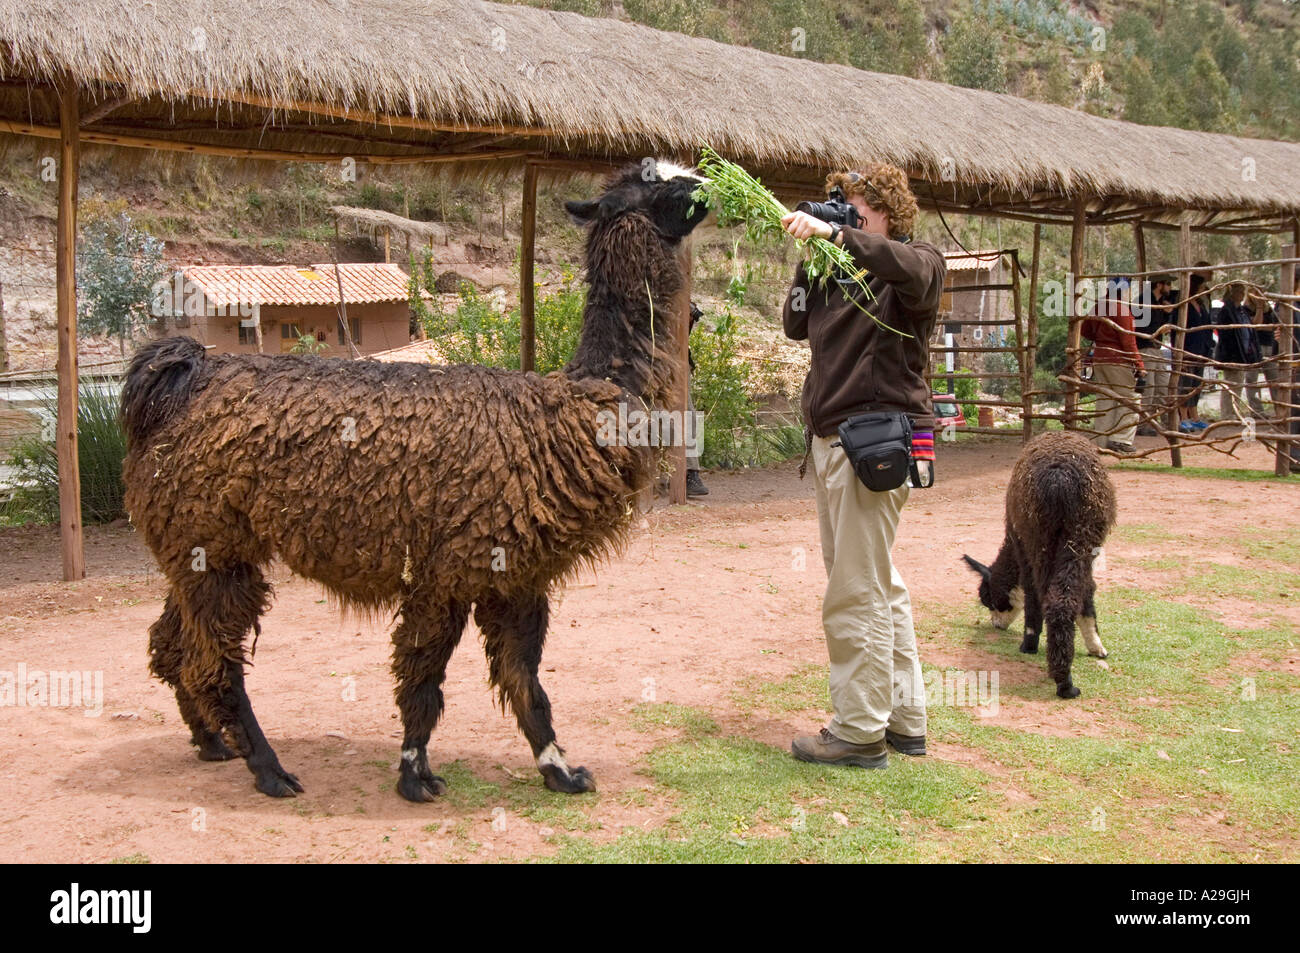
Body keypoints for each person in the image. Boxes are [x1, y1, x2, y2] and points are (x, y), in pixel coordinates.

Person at [781, 164, 945, 769]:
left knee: (855, 589)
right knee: (878, 583)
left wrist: (840, 237)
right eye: (841, 207)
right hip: (831, 444)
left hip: (872, 446)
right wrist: (811, 251)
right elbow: (794, 323)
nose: (847, 218)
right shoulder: (834, 268)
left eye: (860, 210)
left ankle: (857, 730)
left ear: (888, 217)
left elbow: (912, 268)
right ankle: (904, 719)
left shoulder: (913, 264)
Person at [1080, 277, 1144, 453]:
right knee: (1130, 400)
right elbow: (1128, 341)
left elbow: (1085, 329)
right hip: (1117, 359)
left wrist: (1100, 338)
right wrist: (1139, 365)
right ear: (1124, 290)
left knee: (1105, 399)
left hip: (1100, 357)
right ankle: (1121, 439)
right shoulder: (1121, 308)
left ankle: (1100, 439)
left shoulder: (1100, 305)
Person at [1215, 282, 1264, 421]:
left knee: (1237, 385)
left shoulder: (1242, 310)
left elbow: (1253, 326)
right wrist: (1232, 354)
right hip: (1232, 354)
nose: (1242, 295)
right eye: (1240, 292)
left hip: (1243, 353)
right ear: (1232, 293)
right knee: (1230, 384)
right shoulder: (1226, 311)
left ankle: (1233, 412)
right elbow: (1226, 336)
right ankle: (1227, 414)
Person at [1133, 274, 1174, 436]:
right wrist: (1158, 330)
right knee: (1148, 388)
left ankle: (1156, 421)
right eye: (1168, 284)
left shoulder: (1158, 303)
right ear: (1160, 285)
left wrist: (1166, 313)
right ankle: (1143, 424)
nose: (1170, 288)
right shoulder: (1143, 301)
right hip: (1146, 348)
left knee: (1162, 387)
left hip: (1156, 348)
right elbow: (1139, 328)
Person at [1178, 265, 1215, 432]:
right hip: (1188, 349)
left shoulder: (1201, 304)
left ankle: (1194, 417)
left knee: (1196, 385)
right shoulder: (1185, 305)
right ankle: (1183, 418)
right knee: (1185, 384)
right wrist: (1180, 353)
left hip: (1202, 349)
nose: (1203, 290)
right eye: (1201, 288)